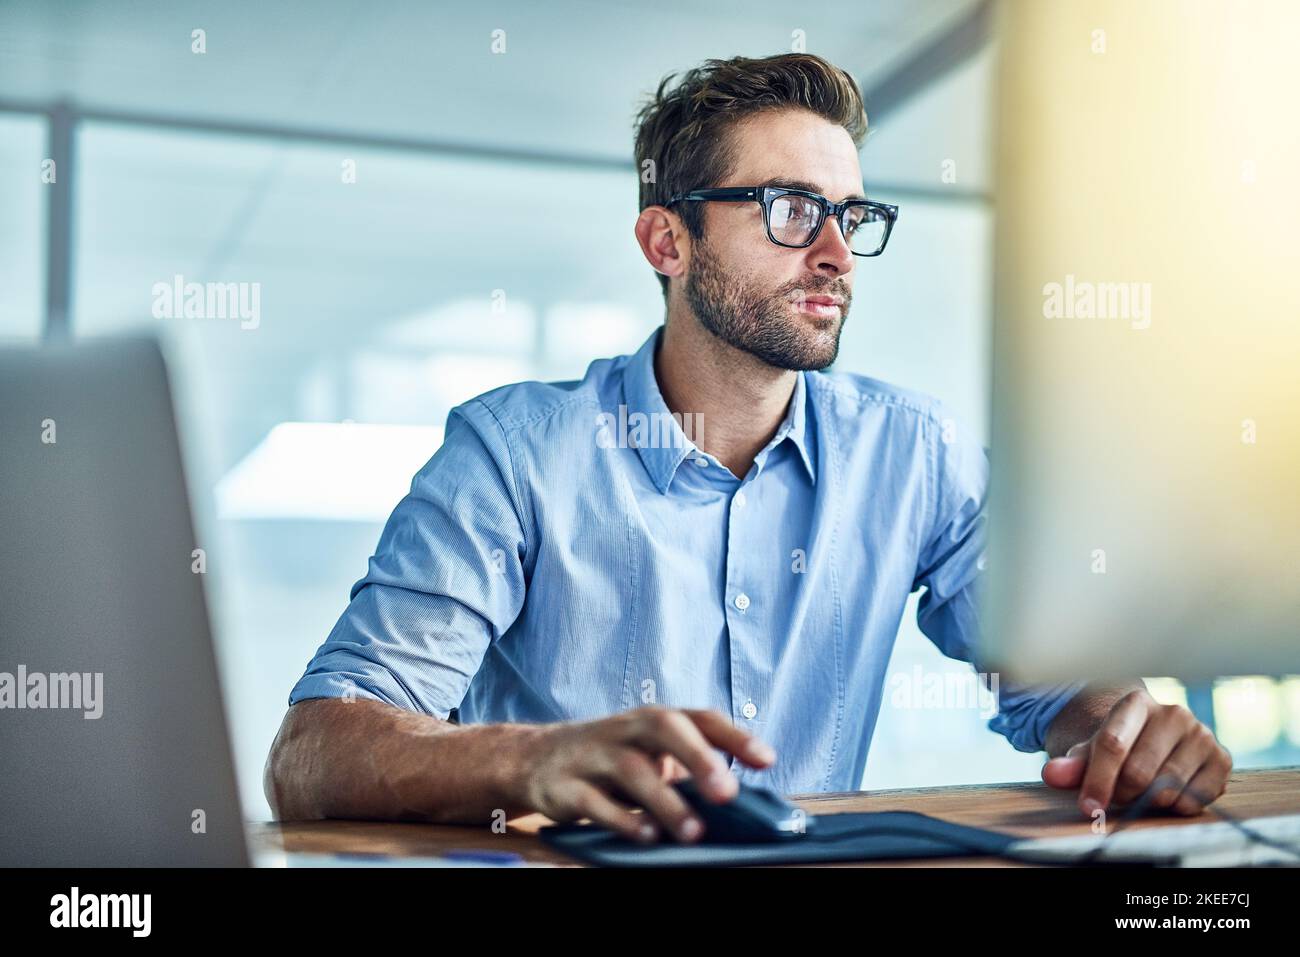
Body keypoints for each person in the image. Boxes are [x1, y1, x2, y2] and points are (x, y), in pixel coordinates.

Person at [265, 53, 1231, 845]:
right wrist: (533, 760)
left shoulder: (915, 453)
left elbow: (1059, 679)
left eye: (850, 216)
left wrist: (1125, 726)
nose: (838, 254)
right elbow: (312, 750)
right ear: (666, 242)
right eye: (790, 208)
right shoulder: (514, 452)